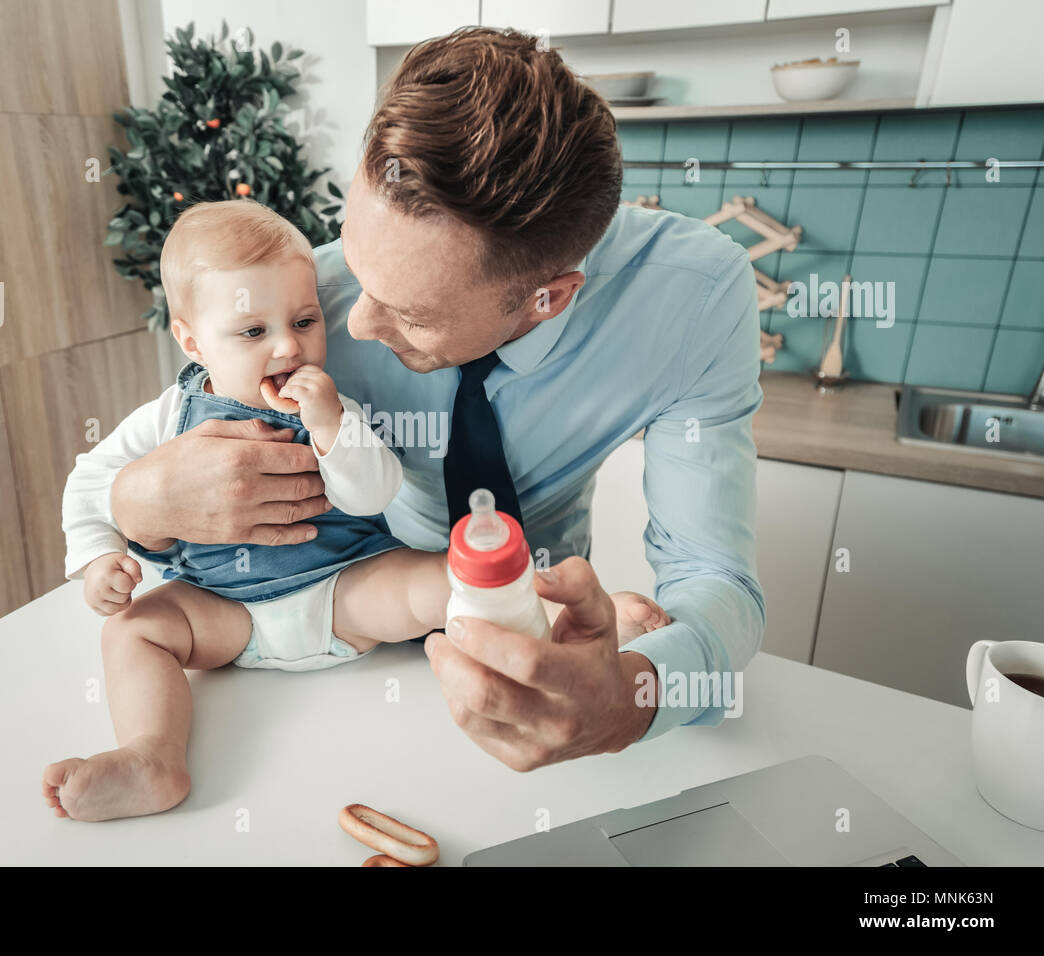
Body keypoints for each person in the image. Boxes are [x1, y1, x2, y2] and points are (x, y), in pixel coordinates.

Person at [108, 27, 765, 773]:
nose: (351, 323)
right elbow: (182, 452)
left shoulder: (694, 297)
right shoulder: (299, 302)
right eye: (354, 265)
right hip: (344, 658)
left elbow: (715, 580)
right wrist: (134, 504)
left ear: (546, 299)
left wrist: (632, 696)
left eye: (411, 315)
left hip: (540, 657)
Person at [42, 200, 669, 821]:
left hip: (345, 590)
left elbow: (372, 494)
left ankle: (579, 617)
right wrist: (99, 556)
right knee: (131, 632)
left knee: (442, 575)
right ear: (191, 340)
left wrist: (331, 427)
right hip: (220, 612)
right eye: (254, 332)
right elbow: (91, 482)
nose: (288, 346)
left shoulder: (334, 404)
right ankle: (152, 754)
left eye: (305, 320)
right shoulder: (164, 419)